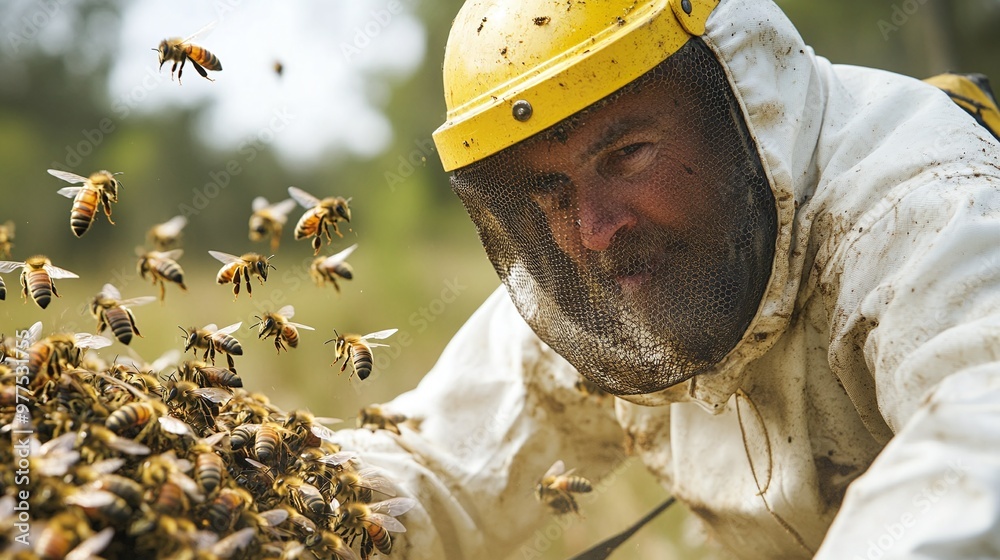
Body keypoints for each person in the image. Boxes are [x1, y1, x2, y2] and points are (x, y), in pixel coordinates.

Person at [334, 0, 1000, 558]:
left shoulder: (919, 210)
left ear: (739, 100)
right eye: (550, 190)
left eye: (627, 155)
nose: (593, 229)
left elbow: (977, 451)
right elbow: (441, 467)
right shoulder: (613, 286)